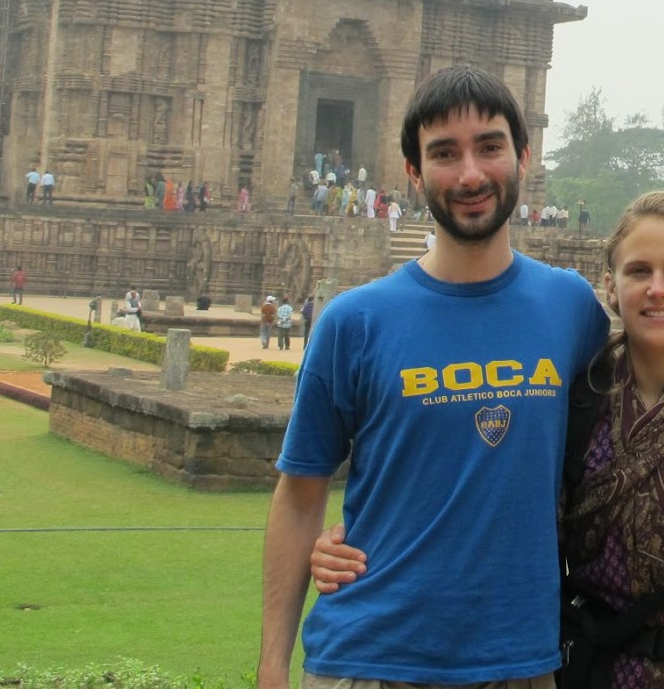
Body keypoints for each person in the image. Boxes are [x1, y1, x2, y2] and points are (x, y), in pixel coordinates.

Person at [313, 191, 664, 689]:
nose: (657, 288)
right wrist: (356, 540)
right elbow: (482, 476)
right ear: (610, 287)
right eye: (638, 271)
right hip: (597, 670)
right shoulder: (576, 397)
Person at [259, 66, 614, 689]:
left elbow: (648, 423)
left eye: (490, 147)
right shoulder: (354, 322)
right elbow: (299, 494)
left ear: (523, 157)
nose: (471, 175)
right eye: (444, 154)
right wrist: (271, 668)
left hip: (521, 660)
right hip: (369, 656)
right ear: (414, 173)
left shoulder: (571, 308)